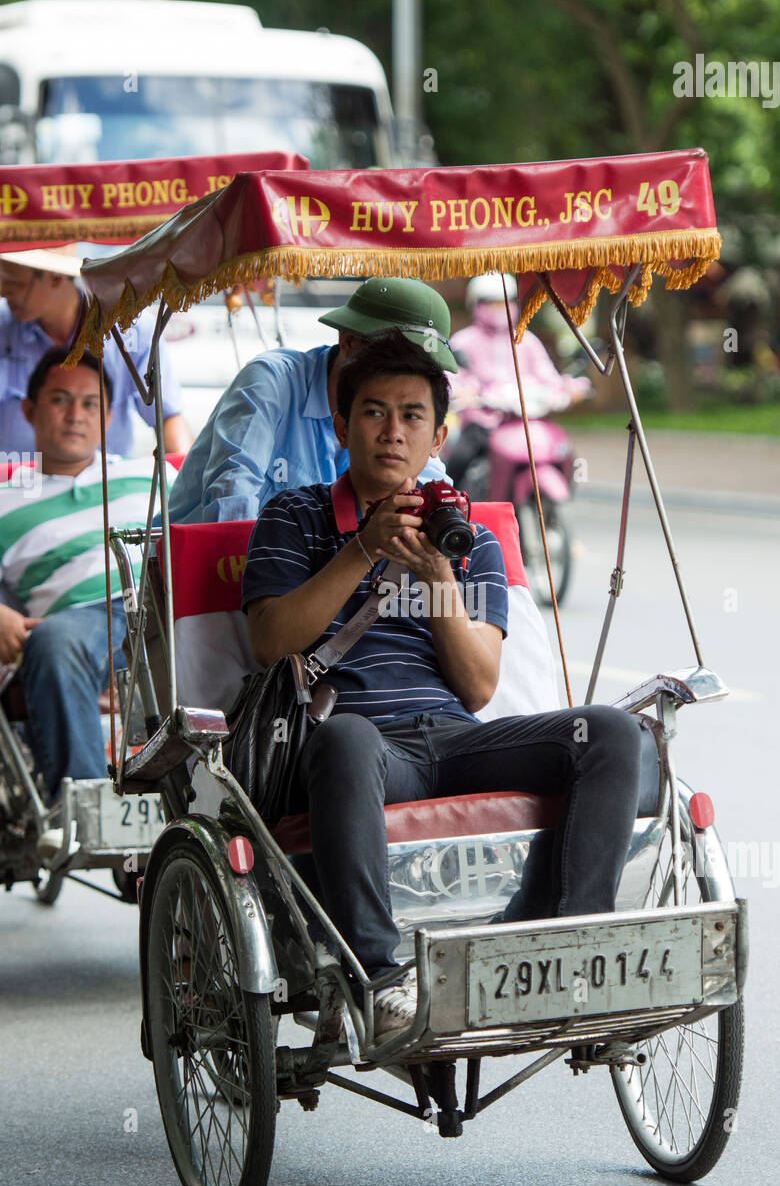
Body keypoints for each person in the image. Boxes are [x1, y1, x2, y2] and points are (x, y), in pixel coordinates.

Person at [241, 333, 644, 1039]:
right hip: (353, 747)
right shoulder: (294, 515)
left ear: (438, 434)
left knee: (610, 731)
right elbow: (273, 641)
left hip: (454, 739)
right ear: (341, 425)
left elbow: (479, 685)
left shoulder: (468, 537)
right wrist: (362, 548)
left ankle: (569, 951)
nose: (392, 431)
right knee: (345, 738)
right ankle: (378, 979)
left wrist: (437, 581)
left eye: (411, 415)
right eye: (372, 412)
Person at [0, 346, 176, 847]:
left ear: (109, 414)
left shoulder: (149, 475)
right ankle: (85, 812)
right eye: (60, 400)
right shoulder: (7, 497)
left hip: (165, 606)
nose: (75, 415)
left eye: (89, 403)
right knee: (54, 641)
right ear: (30, 411)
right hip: (79, 623)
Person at [167, 276, 458, 525]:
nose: (404, 381)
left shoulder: (398, 430)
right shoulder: (272, 382)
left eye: (421, 371)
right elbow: (230, 502)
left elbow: (430, 488)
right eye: (389, 361)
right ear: (348, 342)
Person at [0, 246, 191, 458]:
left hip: (103, 486)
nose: (3, 291)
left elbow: (167, 417)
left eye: (13, 283)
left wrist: (181, 479)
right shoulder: (2, 329)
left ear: (55, 277)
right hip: (16, 483)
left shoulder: (131, 330)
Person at [446, 273, 591, 484]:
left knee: (563, 450)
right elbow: (451, 376)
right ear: (476, 304)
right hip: (481, 422)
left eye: (505, 302)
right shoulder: (463, 341)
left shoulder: (527, 340)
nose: (499, 309)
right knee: (460, 459)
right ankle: (450, 505)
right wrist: (463, 392)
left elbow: (548, 375)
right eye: (492, 303)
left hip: (524, 423)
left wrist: (569, 388)